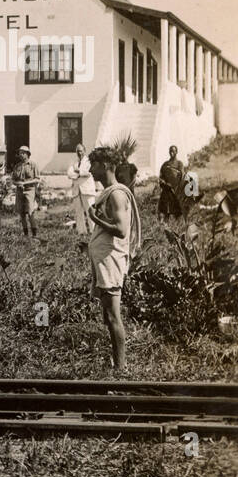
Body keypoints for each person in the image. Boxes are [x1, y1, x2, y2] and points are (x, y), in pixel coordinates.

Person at [86, 145, 143, 376]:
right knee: (107, 316)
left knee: (113, 316)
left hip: (111, 260)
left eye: (94, 165)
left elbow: (121, 230)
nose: (90, 170)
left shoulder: (117, 194)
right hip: (104, 260)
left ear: (105, 166)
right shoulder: (109, 192)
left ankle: (121, 368)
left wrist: (94, 219)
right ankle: (116, 363)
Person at [10, 145, 41, 238]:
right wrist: (17, 183)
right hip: (19, 191)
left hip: (30, 190)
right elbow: (13, 180)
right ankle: (26, 234)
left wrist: (26, 183)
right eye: (20, 153)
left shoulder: (33, 165)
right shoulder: (17, 166)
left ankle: (34, 234)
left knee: (30, 212)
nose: (21, 155)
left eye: (23, 153)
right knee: (22, 213)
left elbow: (37, 179)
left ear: (27, 154)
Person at [66, 144, 96, 235]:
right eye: (77, 151)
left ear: (84, 151)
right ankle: (82, 231)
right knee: (78, 212)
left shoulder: (89, 161)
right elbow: (69, 174)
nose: (79, 153)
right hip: (77, 190)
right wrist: (78, 174)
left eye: (81, 151)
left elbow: (89, 172)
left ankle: (93, 231)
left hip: (87, 190)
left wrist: (78, 172)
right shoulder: (75, 163)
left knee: (90, 211)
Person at [158, 145, 185, 220]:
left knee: (178, 212)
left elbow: (182, 177)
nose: (171, 153)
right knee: (165, 210)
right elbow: (161, 177)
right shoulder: (165, 165)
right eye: (170, 151)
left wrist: (178, 187)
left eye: (173, 151)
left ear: (176, 152)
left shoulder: (179, 164)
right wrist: (163, 183)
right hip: (166, 191)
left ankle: (178, 228)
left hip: (176, 191)